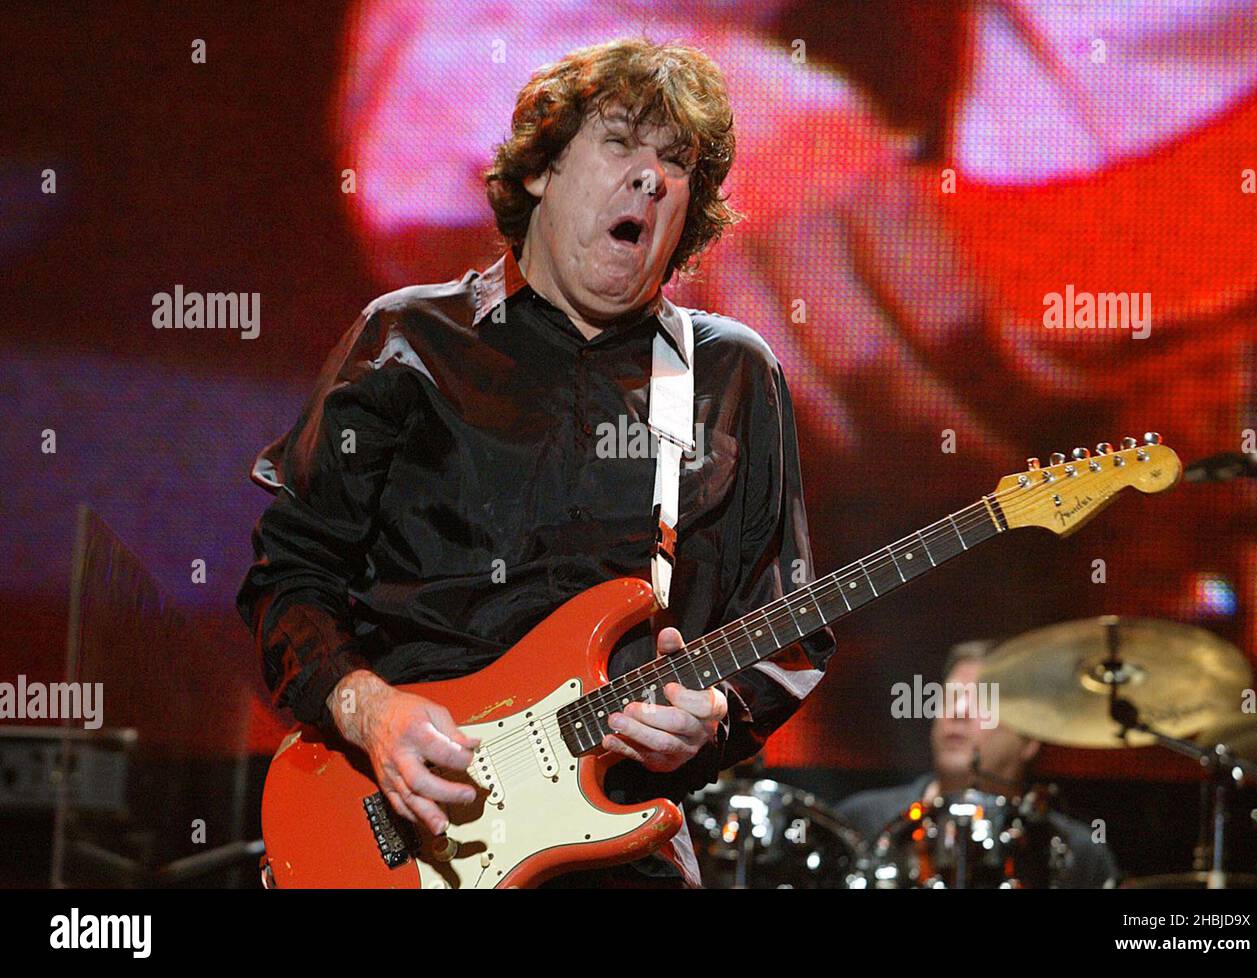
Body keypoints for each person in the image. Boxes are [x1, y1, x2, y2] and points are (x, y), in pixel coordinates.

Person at [236, 36, 834, 888]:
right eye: (620, 144)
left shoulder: (729, 374)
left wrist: (716, 717)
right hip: (393, 823)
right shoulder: (407, 341)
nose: (650, 178)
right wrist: (371, 712)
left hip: (617, 841)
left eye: (677, 164)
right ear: (542, 172)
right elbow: (287, 581)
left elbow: (792, 625)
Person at [837, 640, 1119, 888]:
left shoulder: (1078, 852)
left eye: (984, 700)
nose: (958, 712)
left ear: (1030, 737)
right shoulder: (861, 821)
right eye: (950, 697)